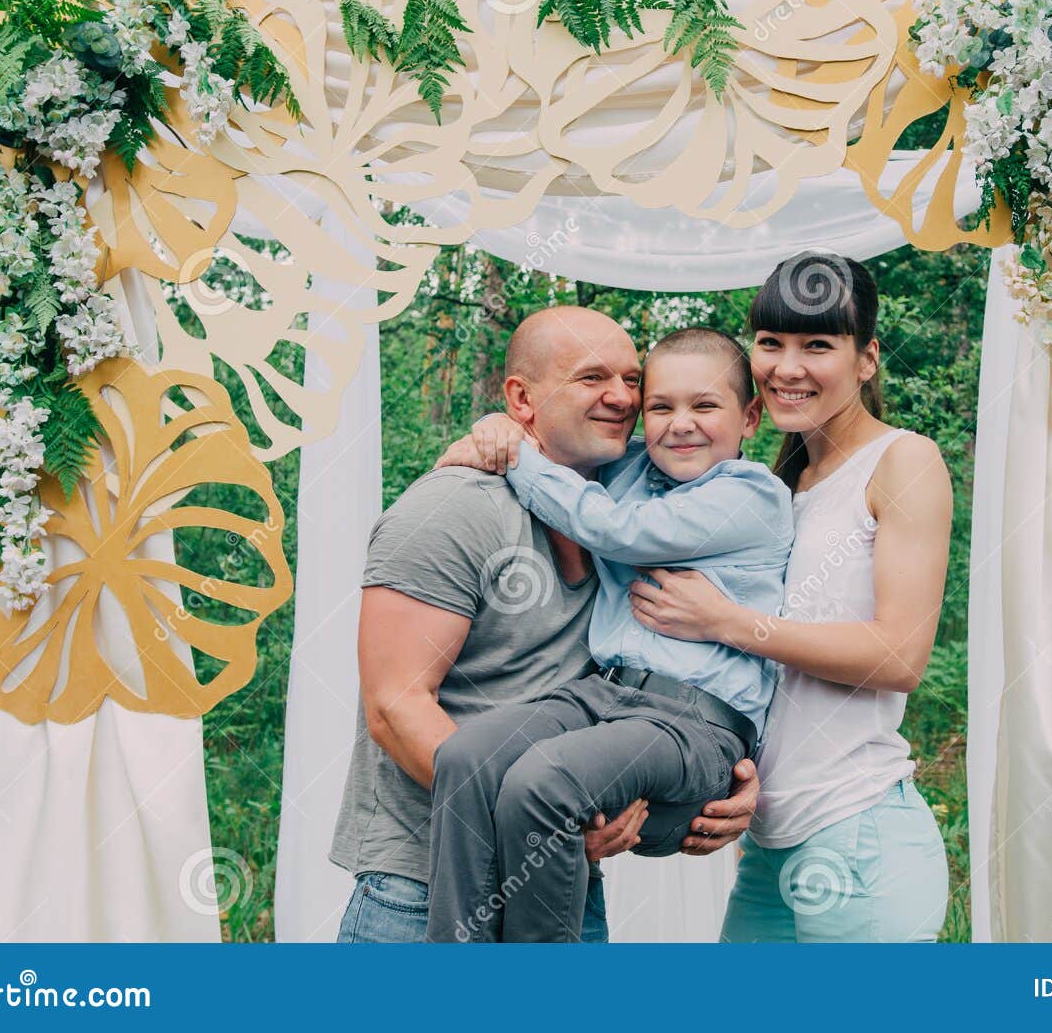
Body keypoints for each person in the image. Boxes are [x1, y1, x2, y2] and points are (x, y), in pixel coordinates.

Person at [328, 306, 758, 943]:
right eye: (591, 378)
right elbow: (395, 706)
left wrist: (738, 783)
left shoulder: (630, 507)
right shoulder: (451, 508)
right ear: (522, 398)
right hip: (421, 890)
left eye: (631, 379)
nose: (620, 397)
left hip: (560, 880)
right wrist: (540, 815)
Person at [425, 327, 793, 942]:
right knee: (464, 758)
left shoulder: (752, 496)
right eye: (660, 407)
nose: (681, 425)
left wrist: (520, 458)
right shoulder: (637, 470)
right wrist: (502, 428)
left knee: (541, 781)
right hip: (605, 700)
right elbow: (562, 440)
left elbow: (619, 531)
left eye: (705, 406)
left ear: (750, 416)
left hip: (694, 728)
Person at [627, 252, 953, 942]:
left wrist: (730, 621)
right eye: (771, 342)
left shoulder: (902, 459)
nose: (787, 366)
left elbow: (898, 655)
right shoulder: (777, 486)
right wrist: (741, 782)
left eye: (818, 345)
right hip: (770, 842)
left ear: (866, 358)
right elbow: (771, 688)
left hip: (860, 836)